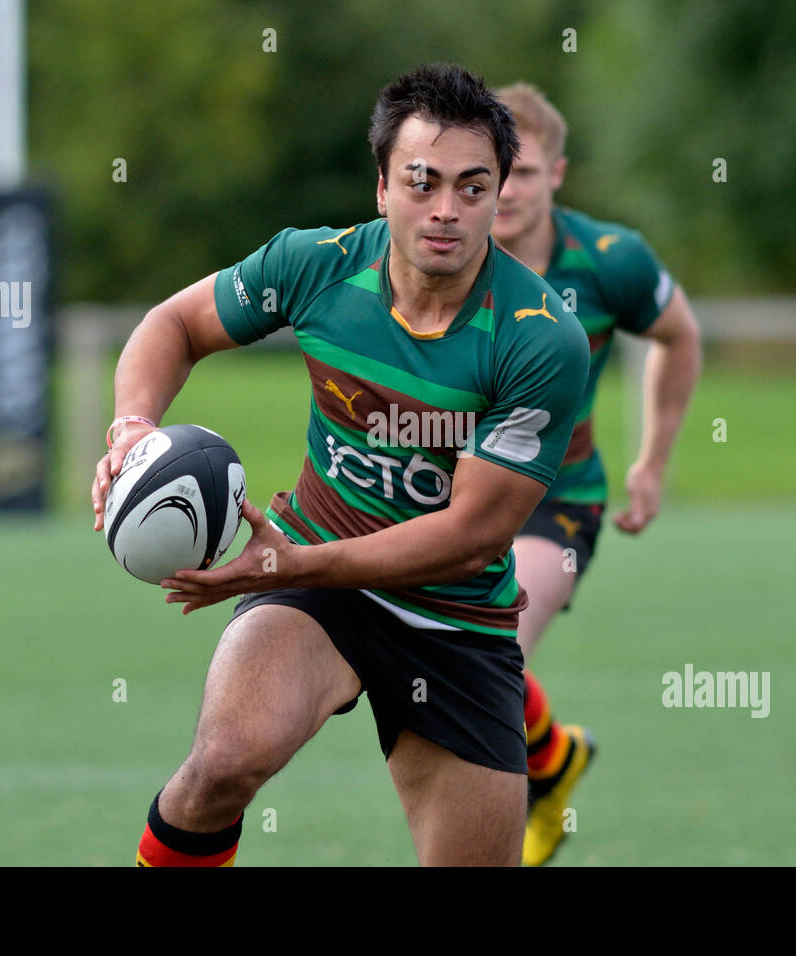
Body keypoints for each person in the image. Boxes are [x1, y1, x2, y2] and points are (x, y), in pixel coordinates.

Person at [91, 64, 589, 867]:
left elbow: (468, 535)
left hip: (454, 618)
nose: (445, 210)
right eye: (422, 182)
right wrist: (131, 427)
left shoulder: (540, 340)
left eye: (473, 187)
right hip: (316, 586)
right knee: (221, 766)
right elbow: (173, 324)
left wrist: (287, 561)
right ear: (382, 187)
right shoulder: (316, 265)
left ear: (500, 195)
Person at [490, 83, 702, 866]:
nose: (508, 191)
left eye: (529, 173)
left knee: (484, 652)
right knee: (423, 661)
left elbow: (679, 336)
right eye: (495, 170)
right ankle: (552, 759)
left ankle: (509, 809)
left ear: (560, 174)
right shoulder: (434, 255)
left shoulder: (610, 261)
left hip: (557, 506)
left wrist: (653, 459)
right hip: (443, 504)